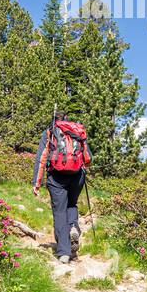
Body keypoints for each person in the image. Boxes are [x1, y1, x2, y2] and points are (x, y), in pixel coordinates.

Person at [32, 112, 89, 263]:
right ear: (65, 120)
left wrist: (36, 183)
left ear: (53, 120)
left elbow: (41, 158)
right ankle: (73, 227)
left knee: (59, 212)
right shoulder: (76, 131)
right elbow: (88, 157)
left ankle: (64, 252)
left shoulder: (50, 132)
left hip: (57, 176)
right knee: (72, 204)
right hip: (77, 176)